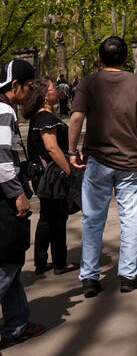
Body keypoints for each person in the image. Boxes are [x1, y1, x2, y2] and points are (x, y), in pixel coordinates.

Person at [68, 36, 137, 296]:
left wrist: (71, 151)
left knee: (92, 220)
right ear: (125, 59)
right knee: (131, 219)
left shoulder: (88, 83)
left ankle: (89, 278)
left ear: (100, 58)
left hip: (97, 161)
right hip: (131, 162)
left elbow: (76, 118)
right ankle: (128, 276)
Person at [0, 58, 47, 349]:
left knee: (11, 264)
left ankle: (16, 324)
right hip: (3, 199)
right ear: (15, 85)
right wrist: (18, 194)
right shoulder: (4, 111)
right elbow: (2, 161)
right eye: (29, 86)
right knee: (7, 262)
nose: (31, 92)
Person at [21, 77, 76, 276]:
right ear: (44, 96)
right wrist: (69, 172)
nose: (56, 91)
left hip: (42, 177)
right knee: (57, 218)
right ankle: (60, 262)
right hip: (53, 177)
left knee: (46, 218)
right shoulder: (46, 118)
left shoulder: (39, 117)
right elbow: (52, 149)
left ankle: (42, 262)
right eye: (53, 88)